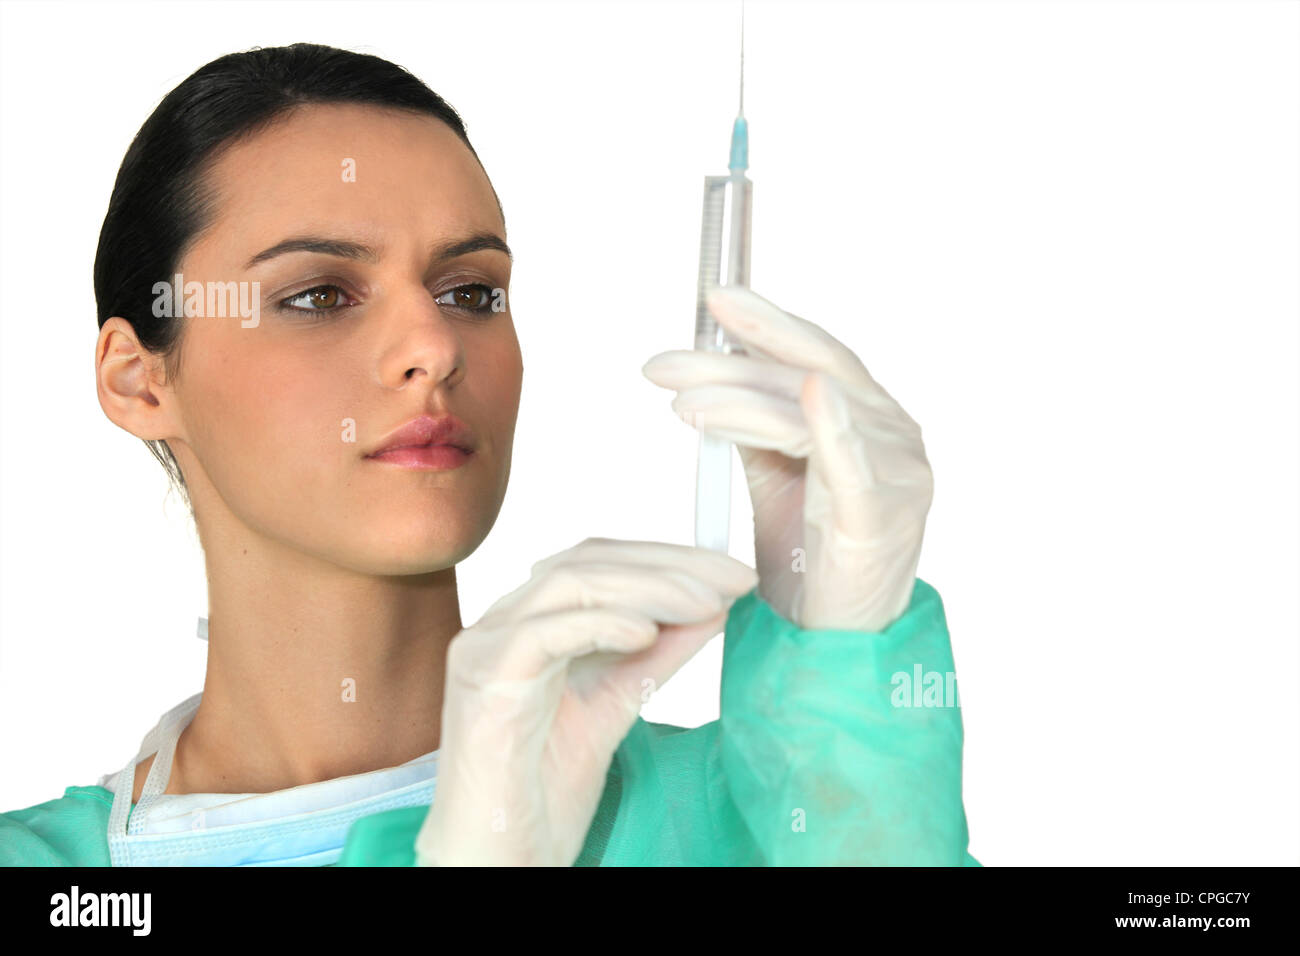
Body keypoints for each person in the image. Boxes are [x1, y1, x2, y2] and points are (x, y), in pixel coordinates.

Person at [0, 43, 979, 867]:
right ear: (139, 380)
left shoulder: (763, 816)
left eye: (470, 290)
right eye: (318, 294)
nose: (434, 345)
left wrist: (851, 676)